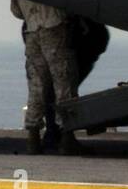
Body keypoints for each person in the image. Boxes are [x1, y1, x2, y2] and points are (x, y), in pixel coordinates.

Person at [10, 0, 80, 155]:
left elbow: (16, 12)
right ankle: (67, 136)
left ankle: (33, 137)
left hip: (32, 31)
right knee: (63, 81)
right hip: (54, 27)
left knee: (36, 85)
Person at [41, 15, 108, 149]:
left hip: (50, 36)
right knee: (64, 92)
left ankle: (47, 136)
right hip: (69, 41)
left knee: (50, 90)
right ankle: (65, 138)